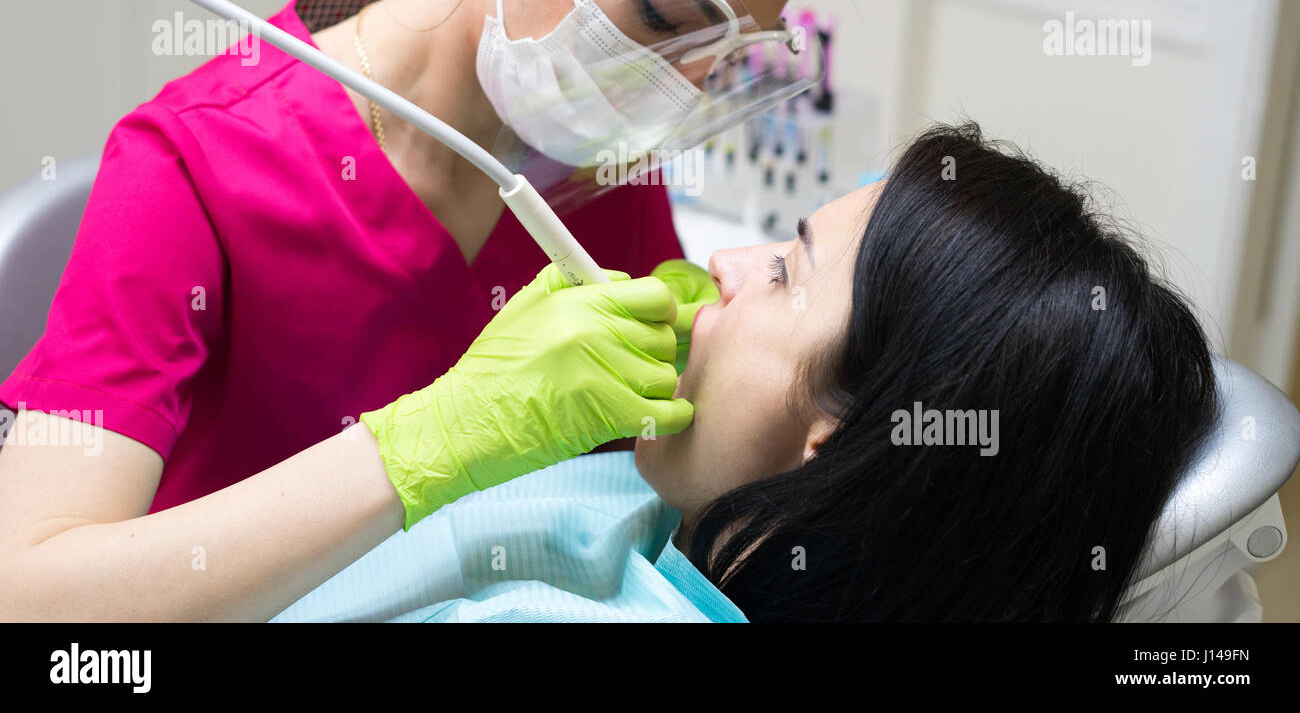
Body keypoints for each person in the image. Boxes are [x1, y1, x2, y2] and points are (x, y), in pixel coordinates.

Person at [0, 0, 849, 621]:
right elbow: (31, 598)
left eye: (719, 56)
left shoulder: (606, 177)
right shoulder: (196, 165)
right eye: (657, 15)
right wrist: (431, 440)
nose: (674, 93)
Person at [270, 123, 1221, 623]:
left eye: (783, 269)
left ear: (834, 446)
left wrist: (429, 439)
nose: (725, 265)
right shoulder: (666, 505)